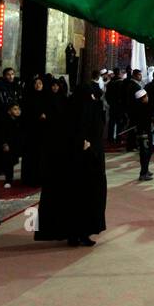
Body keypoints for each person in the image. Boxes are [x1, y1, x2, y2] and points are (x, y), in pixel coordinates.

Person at [36, 83, 109, 244]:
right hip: (74, 166)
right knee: (76, 199)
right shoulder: (71, 112)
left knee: (84, 199)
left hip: (86, 165)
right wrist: (80, 144)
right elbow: (62, 137)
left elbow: (96, 135)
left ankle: (80, 233)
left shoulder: (81, 109)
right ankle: (75, 234)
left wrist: (91, 147)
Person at [0, 100, 24, 187]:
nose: (17, 111)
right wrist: (4, 144)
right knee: (9, 162)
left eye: (18, 109)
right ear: (9, 111)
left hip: (19, 144)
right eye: (15, 109)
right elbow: (1, 134)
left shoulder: (20, 120)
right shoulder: (4, 121)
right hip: (9, 145)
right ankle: (8, 180)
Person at [132, 87, 154, 180]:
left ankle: (145, 170)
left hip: (146, 132)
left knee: (148, 152)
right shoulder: (142, 108)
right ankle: (143, 173)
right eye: (146, 96)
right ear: (143, 98)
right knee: (145, 153)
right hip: (144, 133)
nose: (148, 98)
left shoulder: (145, 106)